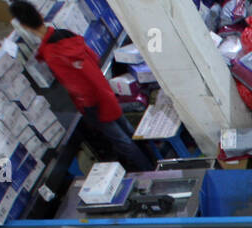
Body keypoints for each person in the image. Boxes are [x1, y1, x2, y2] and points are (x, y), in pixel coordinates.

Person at [9, 1, 153, 172]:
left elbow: (76, 86)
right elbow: (93, 57)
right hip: (104, 92)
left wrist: (88, 107)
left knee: (123, 142)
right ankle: (153, 160)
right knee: (128, 130)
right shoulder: (65, 34)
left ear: (24, 26)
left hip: (95, 103)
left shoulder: (52, 55)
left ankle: (148, 171)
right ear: (40, 15)